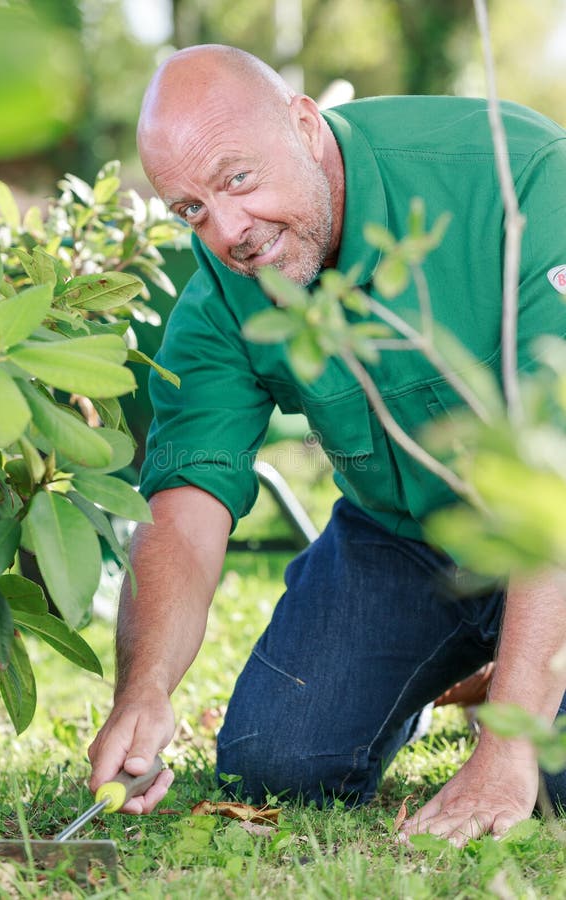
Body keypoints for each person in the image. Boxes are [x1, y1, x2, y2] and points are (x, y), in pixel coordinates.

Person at [88, 44, 566, 844]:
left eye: (238, 179)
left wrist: (510, 743)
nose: (229, 232)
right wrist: (142, 691)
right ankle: (469, 665)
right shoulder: (222, 297)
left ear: (305, 126)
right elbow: (183, 506)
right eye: (190, 209)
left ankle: (523, 672)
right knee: (276, 764)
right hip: (409, 539)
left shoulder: (524, 178)